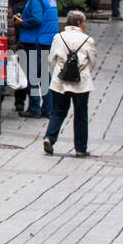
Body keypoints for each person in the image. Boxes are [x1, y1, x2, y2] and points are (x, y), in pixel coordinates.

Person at [43, 11, 97, 157]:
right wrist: (83, 71)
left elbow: (51, 60)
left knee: (58, 111)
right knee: (81, 114)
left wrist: (58, 72)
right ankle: (80, 148)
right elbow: (92, 61)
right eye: (84, 22)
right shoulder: (87, 40)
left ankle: (49, 137)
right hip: (81, 83)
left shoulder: (58, 37)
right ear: (79, 23)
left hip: (60, 81)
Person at [12, 0, 58, 118]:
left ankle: (34, 108)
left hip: (35, 40)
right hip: (45, 40)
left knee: (33, 75)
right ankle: (48, 108)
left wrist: (22, 22)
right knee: (44, 75)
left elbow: (37, 19)